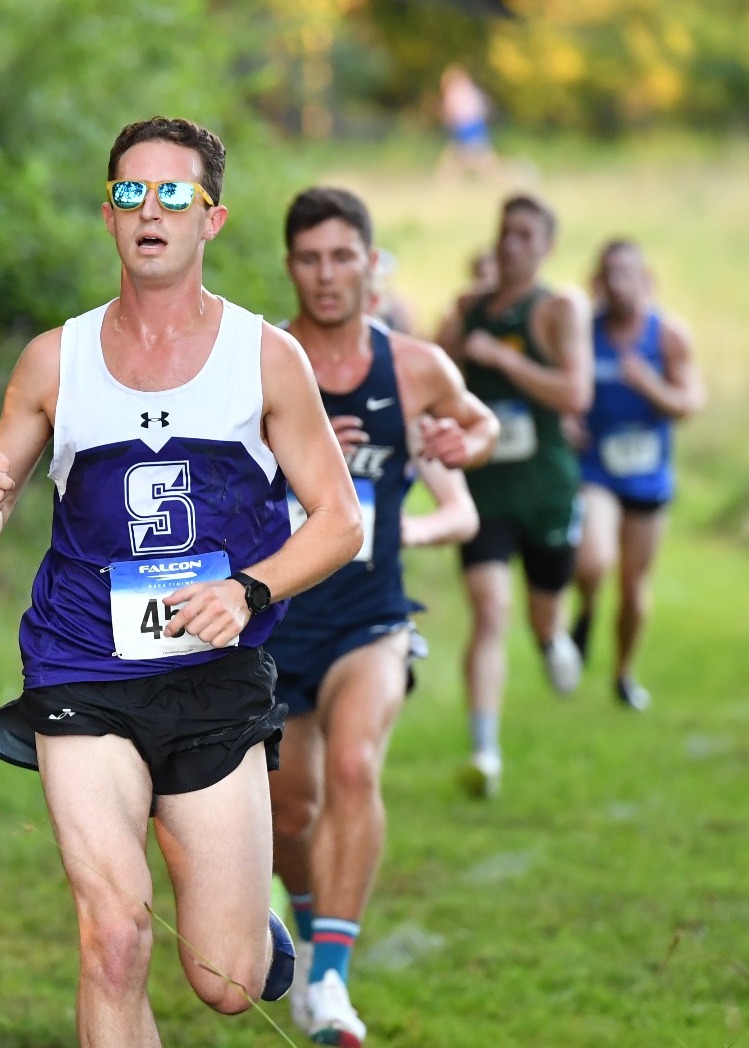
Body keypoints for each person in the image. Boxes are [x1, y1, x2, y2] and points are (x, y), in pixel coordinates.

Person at [0, 117, 363, 1046]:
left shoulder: (265, 356)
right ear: (108, 215)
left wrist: (248, 590)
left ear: (211, 220)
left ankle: (250, 925)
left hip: (213, 676)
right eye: (130, 193)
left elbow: (339, 520)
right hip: (81, 668)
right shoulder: (55, 359)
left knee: (226, 981)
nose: (150, 210)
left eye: (174, 194)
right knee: (113, 936)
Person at [264, 187, 496, 1045]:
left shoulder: (413, 368)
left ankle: (330, 980)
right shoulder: (259, 358)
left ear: (370, 264)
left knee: (355, 767)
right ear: (290, 266)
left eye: (342, 257)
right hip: (274, 619)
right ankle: (306, 926)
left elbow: (478, 422)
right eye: (310, 259)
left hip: (371, 615)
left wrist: (465, 443)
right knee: (291, 815)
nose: (327, 275)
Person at [434, 193, 592, 799]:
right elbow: (431, 374)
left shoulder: (558, 309)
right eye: (506, 232)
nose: (512, 244)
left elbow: (575, 393)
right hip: (486, 491)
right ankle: (485, 750)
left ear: (548, 246)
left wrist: (503, 358)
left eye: (526, 235)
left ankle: (551, 640)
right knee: (490, 611)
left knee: (542, 610)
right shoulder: (469, 310)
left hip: (546, 489)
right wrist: (456, 343)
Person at [569, 239, 705, 711]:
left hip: (647, 478)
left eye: (627, 273)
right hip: (596, 471)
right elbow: (563, 391)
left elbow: (689, 404)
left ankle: (624, 673)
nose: (618, 284)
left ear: (646, 280)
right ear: (598, 282)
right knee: (593, 561)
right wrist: (566, 422)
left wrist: (649, 384)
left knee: (633, 587)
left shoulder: (668, 335)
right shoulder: (583, 333)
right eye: (609, 274)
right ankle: (585, 609)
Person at [436, 65, 498, 180]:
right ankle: (446, 184)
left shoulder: (455, 92)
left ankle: (515, 174)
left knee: (484, 163)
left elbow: (450, 113)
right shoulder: (471, 89)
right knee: (454, 159)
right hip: (475, 127)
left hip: (467, 129)